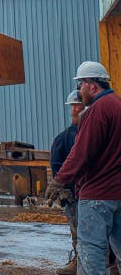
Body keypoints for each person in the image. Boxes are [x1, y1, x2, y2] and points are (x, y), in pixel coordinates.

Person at [48, 61, 121, 275]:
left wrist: (59, 180)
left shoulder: (97, 110)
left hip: (97, 195)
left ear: (91, 85)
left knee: (91, 251)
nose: (80, 92)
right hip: (118, 193)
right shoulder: (117, 105)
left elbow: (81, 153)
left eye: (80, 85)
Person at [49, 90, 85, 275]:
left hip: (95, 192)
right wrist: (62, 189)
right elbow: (56, 166)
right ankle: (78, 262)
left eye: (78, 106)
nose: (75, 110)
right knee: (77, 230)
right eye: (72, 106)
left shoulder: (93, 134)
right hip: (73, 196)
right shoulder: (63, 139)